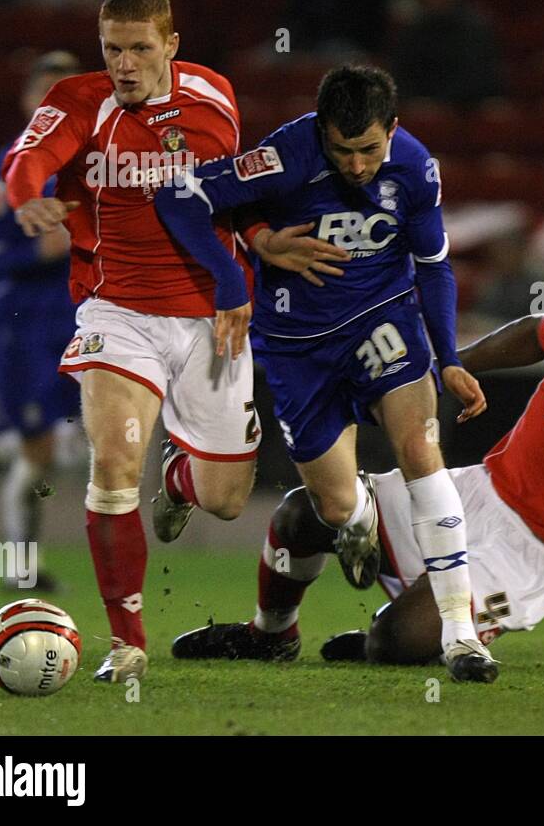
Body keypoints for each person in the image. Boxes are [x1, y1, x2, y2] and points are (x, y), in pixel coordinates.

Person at [170, 253, 544, 669]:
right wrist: (449, 366)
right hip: (475, 492)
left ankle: (392, 637)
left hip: (534, 554)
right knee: (307, 513)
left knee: (396, 643)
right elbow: (532, 335)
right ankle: (272, 634)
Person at [154, 66, 497, 680]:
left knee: (421, 450)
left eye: (370, 149)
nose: (359, 165)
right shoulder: (287, 152)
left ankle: (462, 637)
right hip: (294, 345)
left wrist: (449, 360)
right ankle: (351, 523)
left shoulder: (415, 168)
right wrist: (250, 256)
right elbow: (180, 197)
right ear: (321, 133)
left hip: (380, 320)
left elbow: (434, 267)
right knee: (336, 509)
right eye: (343, 151)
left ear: (393, 130)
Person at [2, 0, 294, 683]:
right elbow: (27, 159)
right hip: (118, 312)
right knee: (111, 468)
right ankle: (127, 642)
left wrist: (245, 267)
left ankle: (181, 477)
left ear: (171, 45)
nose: (124, 64)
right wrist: (30, 198)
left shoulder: (214, 98)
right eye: (112, 49)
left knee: (226, 499)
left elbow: (227, 192)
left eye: (138, 48)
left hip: (208, 317)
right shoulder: (78, 101)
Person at [0, 51, 84, 590]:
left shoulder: (98, 163)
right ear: (27, 103)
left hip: (82, 315)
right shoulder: (8, 164)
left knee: (76, 441)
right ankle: (21, 570)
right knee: (43, 443)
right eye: (46, 96)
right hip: (26, 319)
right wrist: (44, 251)